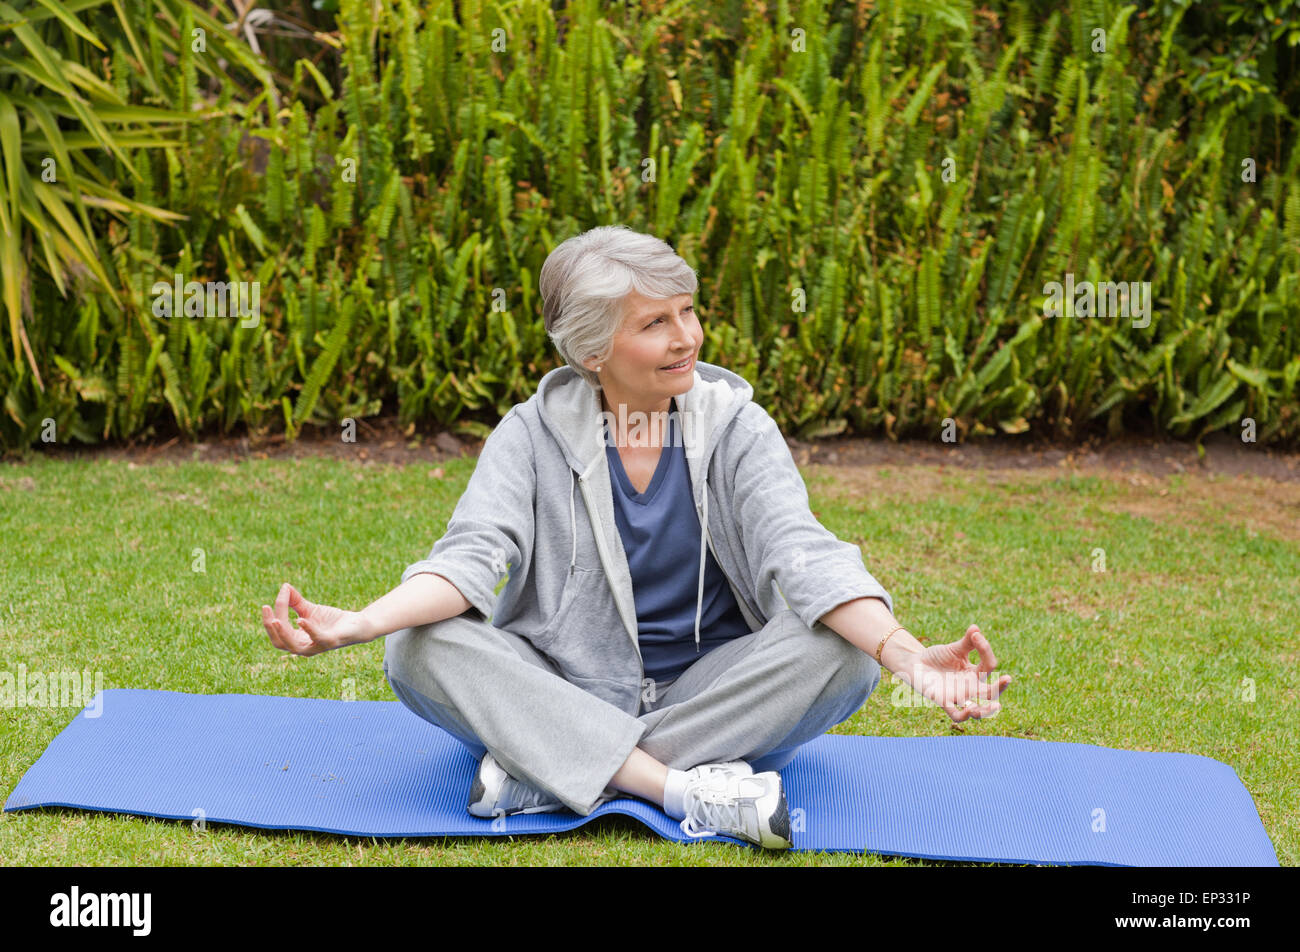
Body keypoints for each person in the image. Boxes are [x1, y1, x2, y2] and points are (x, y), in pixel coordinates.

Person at [261, 225, 1011, 850]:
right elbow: (468, 561)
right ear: (592, 352)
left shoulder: (738, 429)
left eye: (687, 311)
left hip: (709, 684)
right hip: (564, 680)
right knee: (419, 646)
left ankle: (548, 767)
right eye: (656, 323)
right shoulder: (528, 436)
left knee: (843, 655)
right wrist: (362, 621)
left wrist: (910, 657)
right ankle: (682, 789)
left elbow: (804, 554)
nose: (687, 337)